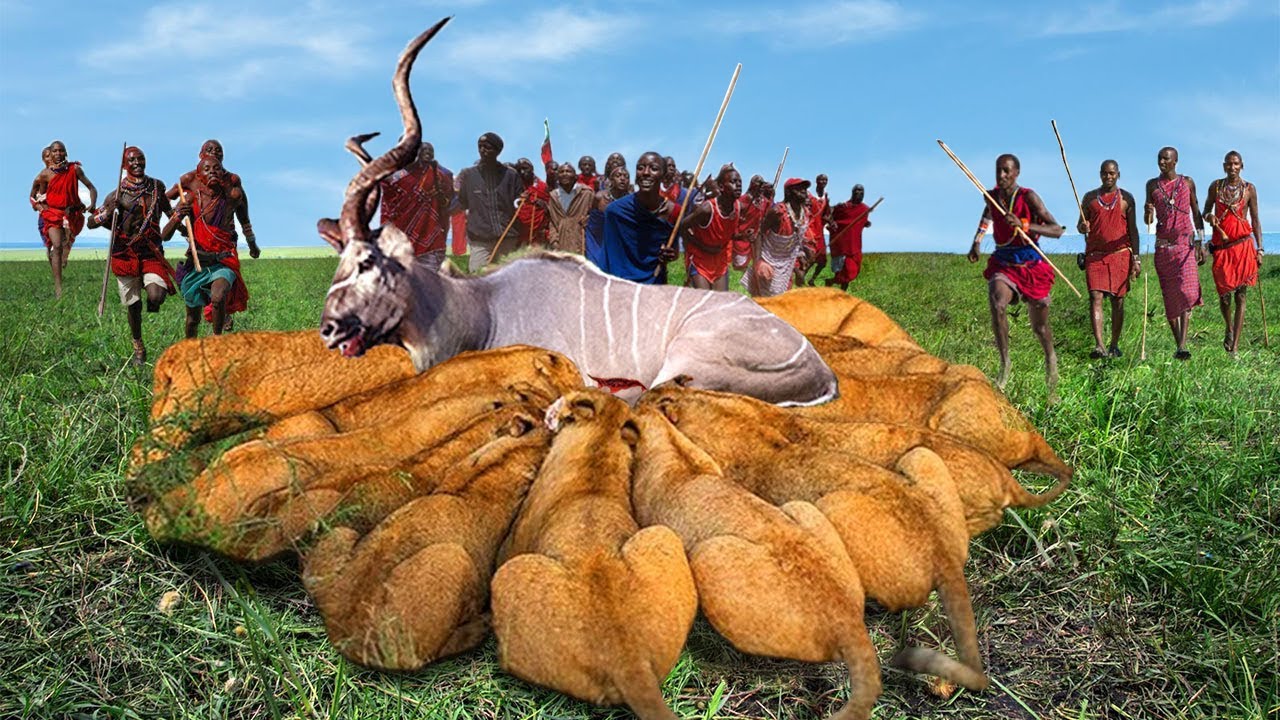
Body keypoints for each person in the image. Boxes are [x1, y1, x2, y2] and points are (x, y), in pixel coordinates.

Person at [967, 154, 1064, 396]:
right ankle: (1005, 362)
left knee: (1040, 327)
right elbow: (987, 215)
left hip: (1031, 262)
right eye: (998, 170)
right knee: (997, 300)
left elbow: (1057, 230)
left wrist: (1025, 225)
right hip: (1004, 261)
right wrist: (977, 241)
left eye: (1006, 171)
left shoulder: (1028, 197)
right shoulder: (993, 197)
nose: (1001, 175)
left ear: (1016, 173)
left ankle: (1051, 358)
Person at [86, 147, 183, 365]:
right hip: (125, 253)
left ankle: (153, 301)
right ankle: (138, 345)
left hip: (150, 251)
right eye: (132, 160)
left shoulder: (156, 187)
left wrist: (182, 224)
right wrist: (108, 213)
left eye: (141, 159)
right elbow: (90, 223)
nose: (137, 163)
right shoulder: (116, 194)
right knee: (134, 305)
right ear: (124, 165)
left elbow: (169, 212)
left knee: (156, 296)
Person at [167, 139, 260, 331]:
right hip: (200, 249)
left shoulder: (232, 182)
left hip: (223, 247)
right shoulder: (189, 181)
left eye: (218, 150)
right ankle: (215, 313)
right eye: (209, 150)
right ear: (200, 156)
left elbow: (243, 214)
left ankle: (219, 318)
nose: (214, 152)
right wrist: (179, 222)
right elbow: (164, 200)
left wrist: (251, 242)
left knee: (219, 293)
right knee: (193, 316)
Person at [1144, 147, 1205, 360]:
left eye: (1166, 159)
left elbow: (1196, 212)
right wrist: (1147, 212)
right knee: (1170, 297)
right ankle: (1180, 345)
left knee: (1188, 292)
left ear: (1175, 161)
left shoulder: (1187, 183)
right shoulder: (1152, 185)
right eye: (1159, 158)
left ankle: (1182, 343)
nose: (1162, 162)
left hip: (1185, 245)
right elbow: (1148, 220)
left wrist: (1201, 241)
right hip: (1164, 248)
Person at [1202, 150, 1264, 355]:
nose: (1232, 167)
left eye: (1236, 164)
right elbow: (1205, 211)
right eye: (1229, 164)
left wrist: (1260, 249)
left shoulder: (1249, 189)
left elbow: (1255, 219)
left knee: (1241, 295)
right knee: (1224, 296)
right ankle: (1228, 328)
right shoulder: (1216, 187)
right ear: (1224, 166)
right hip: (1222, 248)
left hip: (1243, 246)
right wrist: (1209, 217)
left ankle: (1235, 346)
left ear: (1241, 166)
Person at [1078, 160, 1141, 359]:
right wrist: (1083, 227)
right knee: (1095, 296)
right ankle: (1099, 346)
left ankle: (1114, 345)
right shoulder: (1089, 198)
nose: (1108, 177)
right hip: (1095, 255)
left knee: (1118, 300)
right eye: (1105, 173)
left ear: (1118, 175)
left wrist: (1136, 259)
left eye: (1112, 173)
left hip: (1120, 255)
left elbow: (1133, 230)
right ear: (1100, 174)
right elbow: (1080, 225)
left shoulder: (1126, 199)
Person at [599, 151, 680, 283]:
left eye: (654, 168)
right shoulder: (615, 212)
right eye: (640, 168)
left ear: (663, 175)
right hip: (622, 282)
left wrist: (669, 254)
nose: (645, 173)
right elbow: (608, 257)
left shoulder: (674, 211)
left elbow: (675, 252)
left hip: (655, 282)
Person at [29, 140, 97, 298]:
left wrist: (92, 203)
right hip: (53, 214)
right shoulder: (45, 174)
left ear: (66, 153)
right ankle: (59, 289)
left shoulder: (75, 169)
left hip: (72, 214)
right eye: (55, 151)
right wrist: (41, 208)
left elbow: (91, 187)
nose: (58, 153)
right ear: (50, 154)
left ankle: (62, 262)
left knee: (65, 245)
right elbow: (36, 196)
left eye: (61, 150)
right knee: (57, 246)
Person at [379, 141, 453, 267]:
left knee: (428, 276)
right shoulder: (399, 176)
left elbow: (449, 199)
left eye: (430, 151)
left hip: (431, 237)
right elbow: (387, 190)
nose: (427, 154)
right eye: (423, 150)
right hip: (401, 238)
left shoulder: (441, 175)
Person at [457, 132, 523, 271]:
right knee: (477, 276)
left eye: (487, 147)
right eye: (480, 146)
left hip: (507, 238)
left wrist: (523, 199)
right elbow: (463, 202)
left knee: (507, 278)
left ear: (498, 151)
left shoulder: (511, 175)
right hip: (480, 240)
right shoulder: (469, 175)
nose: (483, 150)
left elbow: (519, 202)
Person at [679, 164, 741, 291]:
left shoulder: (737, 208)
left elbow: (727, 233)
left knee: (720, 301)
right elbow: (682, 227)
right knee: (704, 299)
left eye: (740, 182)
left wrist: (743, 236)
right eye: (733, 181)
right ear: (721, 187)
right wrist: (704, 247)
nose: (738, 185)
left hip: (720, 261)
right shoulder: (706, 209)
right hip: (700, 259)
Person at [753, 177, 811, 297]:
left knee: (782, 298)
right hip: (769, 263)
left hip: (786, 266)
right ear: (788, 192)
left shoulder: (804, 213)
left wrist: (801, 256)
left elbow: (797, 240)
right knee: (767, 299)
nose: (803, 191)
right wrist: (759, 262)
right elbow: (759, 233)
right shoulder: (777, 212)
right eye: (799, 188)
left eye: (804, 188)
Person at [826, 184, 873, 291]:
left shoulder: (864, 209)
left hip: (855, 245)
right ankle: (841, 292)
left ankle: (831, 282)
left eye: (861, 191)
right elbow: (832, 217)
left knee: (853, 271)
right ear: (852, 193)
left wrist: (866, 223)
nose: (859, 193)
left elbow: (860, 221)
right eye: (857, 190)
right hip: (842, 245)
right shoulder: (843, 207)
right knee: (844, 270)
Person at [586, 164, 630, 268]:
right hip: (598, 241)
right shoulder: (600, 197)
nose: (622, 179)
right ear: (611, 180)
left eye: (626, 176)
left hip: (620, 242)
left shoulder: (631, 200)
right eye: (618, 176)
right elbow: (592, 219)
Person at [547, 162, 594, 254]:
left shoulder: (586, 193)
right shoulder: (554, 196)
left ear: (575, 176)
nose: (565, 174)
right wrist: (554, 241)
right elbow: (552, 222)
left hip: (582, 241)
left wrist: (589, 220)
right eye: (561, 172)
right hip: (561, 242)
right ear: (557, 177)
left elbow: (595, 215)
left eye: (568, 171)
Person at [799, 173, 832, 286]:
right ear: (816, 181)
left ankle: (812, 279)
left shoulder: (825, 198)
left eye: (825, 180)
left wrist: (831, 222)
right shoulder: (809, 195)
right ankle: (801, 277)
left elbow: (826, 214)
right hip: (810, 229)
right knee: (811, 258)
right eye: (821, 180)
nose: (823, 182)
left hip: (819, 230)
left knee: (822, 260)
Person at [514, 157, 551, 249]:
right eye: (519, 170)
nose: (522, 172)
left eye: (525, 168)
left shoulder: (543, 187)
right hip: (520, 233)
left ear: (532, 168)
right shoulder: (516, 186)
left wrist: (544, 205)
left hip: (539, 234)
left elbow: (552, 208)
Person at [733, 174, 768, 271]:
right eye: (759, 184)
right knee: (739, 265)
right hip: (742, 236)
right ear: (753, 185)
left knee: (756, 262)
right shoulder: (743, 200)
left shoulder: (763, 201)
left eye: (762, 184)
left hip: (755, 236)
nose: (761, 187)